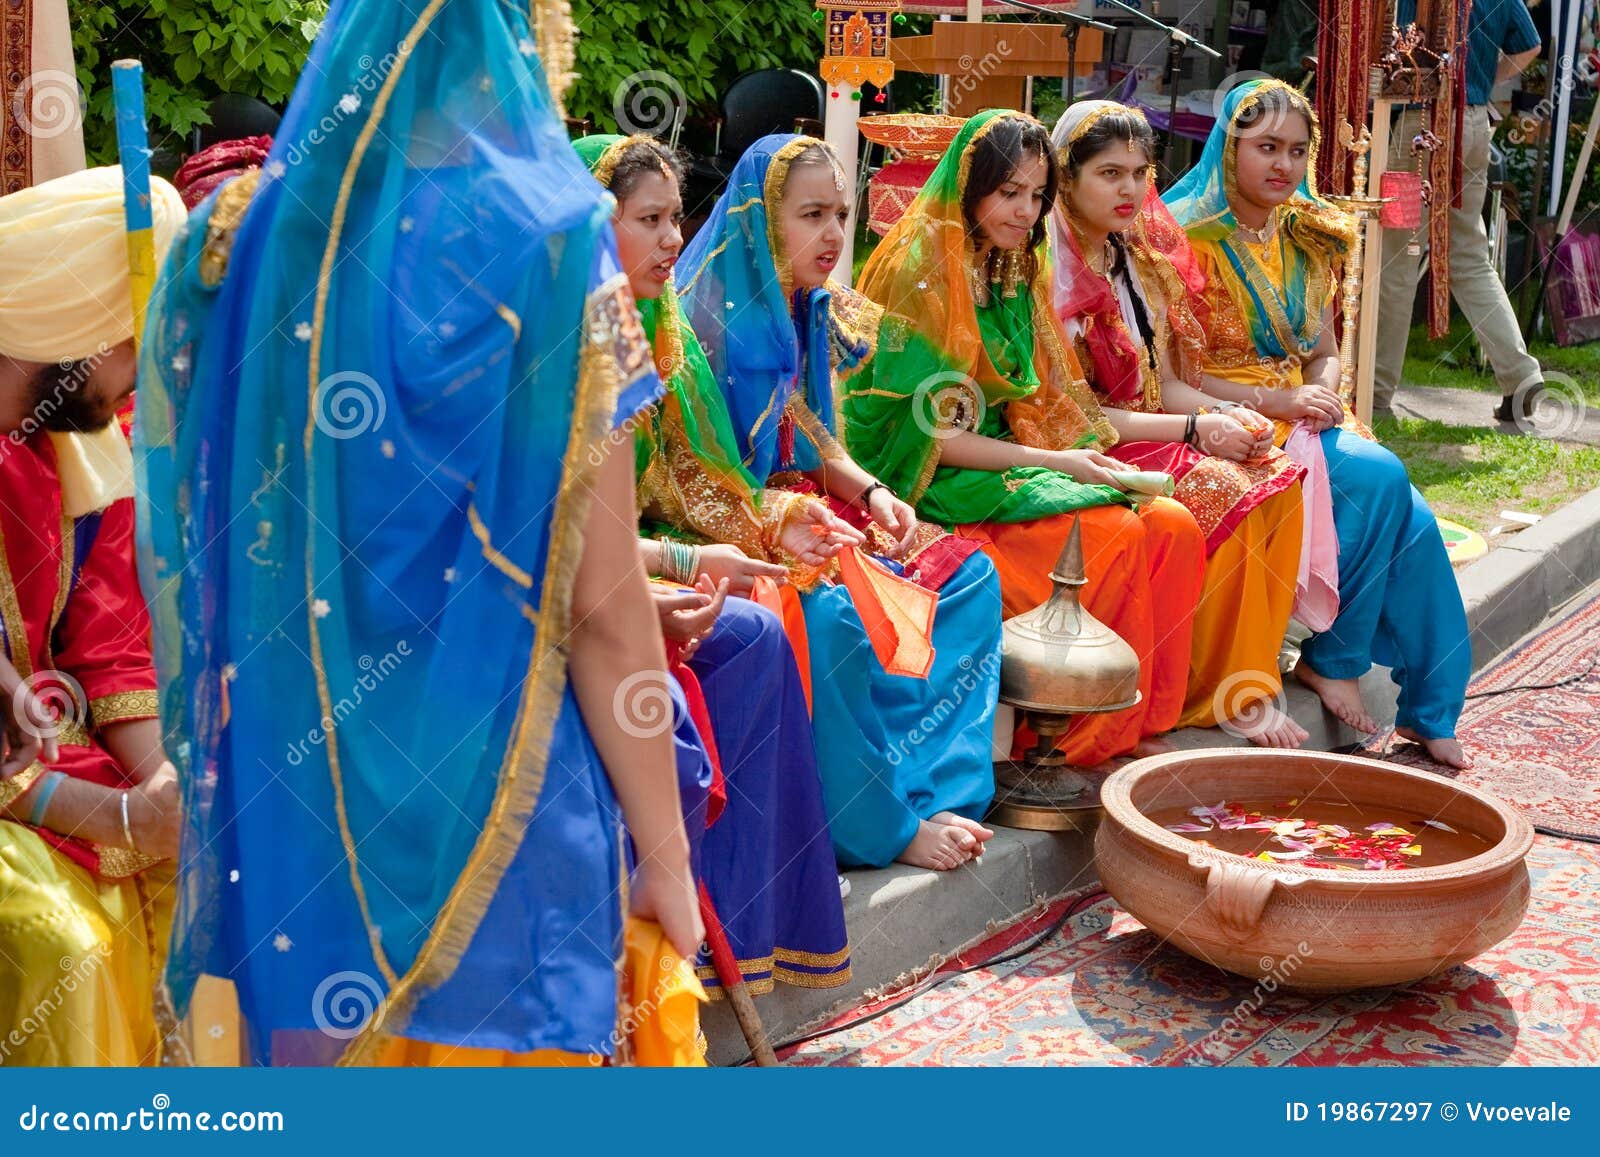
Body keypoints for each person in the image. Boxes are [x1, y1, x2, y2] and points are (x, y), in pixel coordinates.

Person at [139, 0, 704, 1066]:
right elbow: (600, 605)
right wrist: (667, 857)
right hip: (500, 799)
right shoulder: (555, 247)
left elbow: (199, 522)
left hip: (303, 800)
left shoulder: (253, 235)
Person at [677, 134, 1003, 873]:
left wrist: (874, 492)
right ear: (763, 218)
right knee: (834, 616)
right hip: (729, 520)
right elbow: (697, 482)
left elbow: (816, 439)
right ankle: (875, 825)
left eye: (841, 214)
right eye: (811, 215)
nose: (832, 234)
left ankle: (933, 788)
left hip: (801, 507)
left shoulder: (807, 306)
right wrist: (783, 521)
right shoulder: (704, 324)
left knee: (968, 575)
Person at [574, 133, 850, 996]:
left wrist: (780, 522)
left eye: (675, 219)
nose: (672, 240)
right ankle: (695, 924)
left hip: (632, 560)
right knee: (762, 628)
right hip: (553, 595)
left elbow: (703, 478)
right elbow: (554, 532)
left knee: (776, 616)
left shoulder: (658, 330)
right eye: (649, 220)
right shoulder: (565, 346)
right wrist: (686, 561)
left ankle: (746, 926)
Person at [845, 110, 1206, 769]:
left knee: (1173, 525)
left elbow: (1045, 395)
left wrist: (1085, 457)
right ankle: (1074, 741)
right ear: (969, 186)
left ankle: (1141, 725)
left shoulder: (1011, 262)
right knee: (1115, 535)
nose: (1025, 211)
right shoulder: (922, 272)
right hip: (934, 477)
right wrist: (1057, 462)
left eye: (1038, 195)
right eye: (1009, 192)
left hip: (1009, 459)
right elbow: (933, 439)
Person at [1165, 78, 1472, 768]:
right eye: (1266, 147)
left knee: (1416, 521)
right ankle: (1332, 660)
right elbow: (1169, 379)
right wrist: (1282, 404)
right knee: (1382, 477)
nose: (1284, 164)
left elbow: (1324, 350)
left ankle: (1430, 710)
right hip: (1230, 415)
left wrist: (1323, 393)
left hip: (1305, 411)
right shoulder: (1184, 239)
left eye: (1298, 150)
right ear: (1229, 147)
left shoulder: (1306, 232)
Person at [0, 164, 187, 1065]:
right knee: (62, 945)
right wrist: (110, 817)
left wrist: (161, 790)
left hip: (39, 758)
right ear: (72, 326)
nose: (143, 366)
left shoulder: (76, 443)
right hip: (23, 780)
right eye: (132, 336)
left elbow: (107, 646)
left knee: (199, 890)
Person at [1050, 101, 1310, 748]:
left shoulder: (1137, 261)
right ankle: (1204, 693)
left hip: (1147, 430)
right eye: (1110, 173)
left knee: (1274, 471)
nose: (1131, 189)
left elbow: (1165, 384)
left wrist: (1225, 415)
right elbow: (1071, 415)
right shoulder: (1048, 271)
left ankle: (1241, 684)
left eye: (1140, 173)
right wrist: (1194, 432)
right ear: (1066, 177)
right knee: (1226, 486)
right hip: (1086, 444)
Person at [1372, 0, 1545, 424]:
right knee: (1468, 256)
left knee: (1397, 256)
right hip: (1472, 122)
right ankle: (1521, 376)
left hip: (1420, 126)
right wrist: (1480, 79)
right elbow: (1530, 46)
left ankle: (1374, 391)